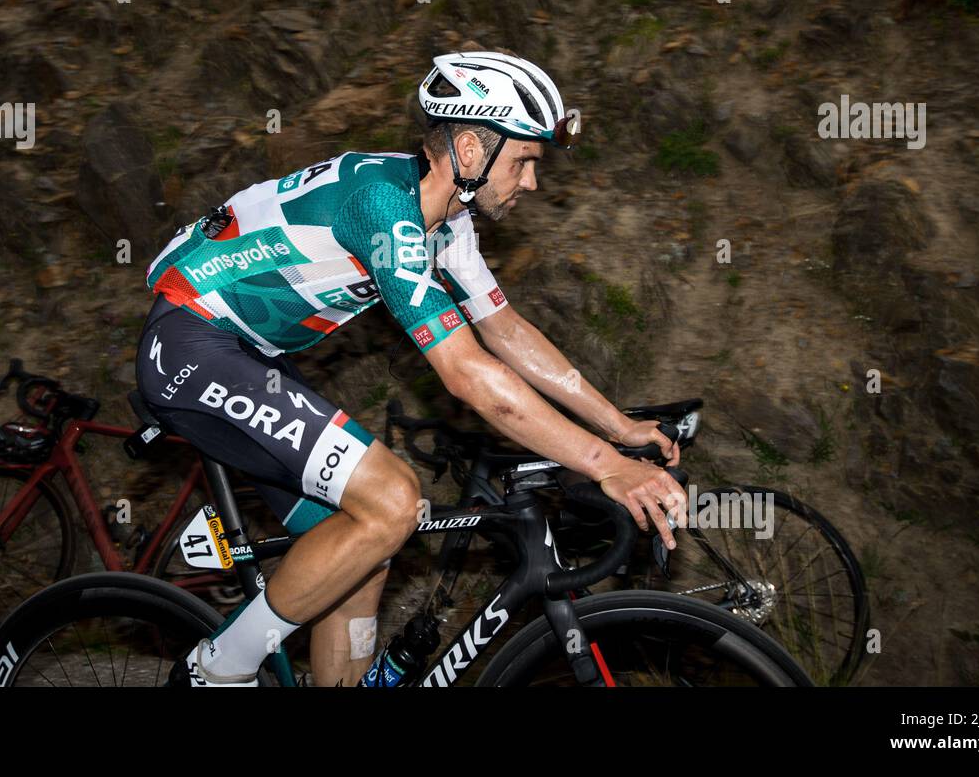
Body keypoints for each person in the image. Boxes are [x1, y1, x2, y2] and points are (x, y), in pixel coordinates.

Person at [136, 50, 687, 687]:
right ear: (474, 150)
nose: (531, 182)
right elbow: (465, 372)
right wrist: (604, 466)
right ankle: (216, 669)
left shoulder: (445, 217)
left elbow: (505, 331)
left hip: (248, 359)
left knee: (361, 551)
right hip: (191, 344)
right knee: (393, 501)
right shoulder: (383, 208)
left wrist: (618, 427)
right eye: (524, 161)